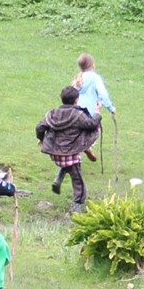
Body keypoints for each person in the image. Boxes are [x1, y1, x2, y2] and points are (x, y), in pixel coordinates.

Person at [37, 85, 101, 214]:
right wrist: (97, 113)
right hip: (70, 154)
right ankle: (76, 205)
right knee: (78, 180)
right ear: (76, 99)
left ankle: (58, 179)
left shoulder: (53, 113)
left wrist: (41, 139)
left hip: (55, 154)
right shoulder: (78, 115)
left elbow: (40, 127)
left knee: (68, 164)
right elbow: (92, 124)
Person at [72, 53, 115, 163]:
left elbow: (71, 93)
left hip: (75, 110)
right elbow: (103, 93)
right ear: (93, 65)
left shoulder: (78, 78)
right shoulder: (95, 78)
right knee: (95, 130)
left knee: (78, 131)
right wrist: (110, 107)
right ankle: (87, 146)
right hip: (90, 111)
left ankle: (78, 154)